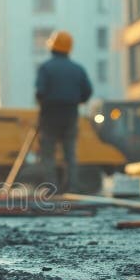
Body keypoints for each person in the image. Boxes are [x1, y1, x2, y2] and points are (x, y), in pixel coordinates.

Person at [35, 30, 93, 193]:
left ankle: (52, 188)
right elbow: (87, 91)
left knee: (48, 155)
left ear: (52, 47)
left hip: (49, 116)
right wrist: (76, 100)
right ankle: (72, 188)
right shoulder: (78, 69)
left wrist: (45, 104)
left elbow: (40, 92)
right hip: (70, 115)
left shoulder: (46, 68)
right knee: (70, 154)